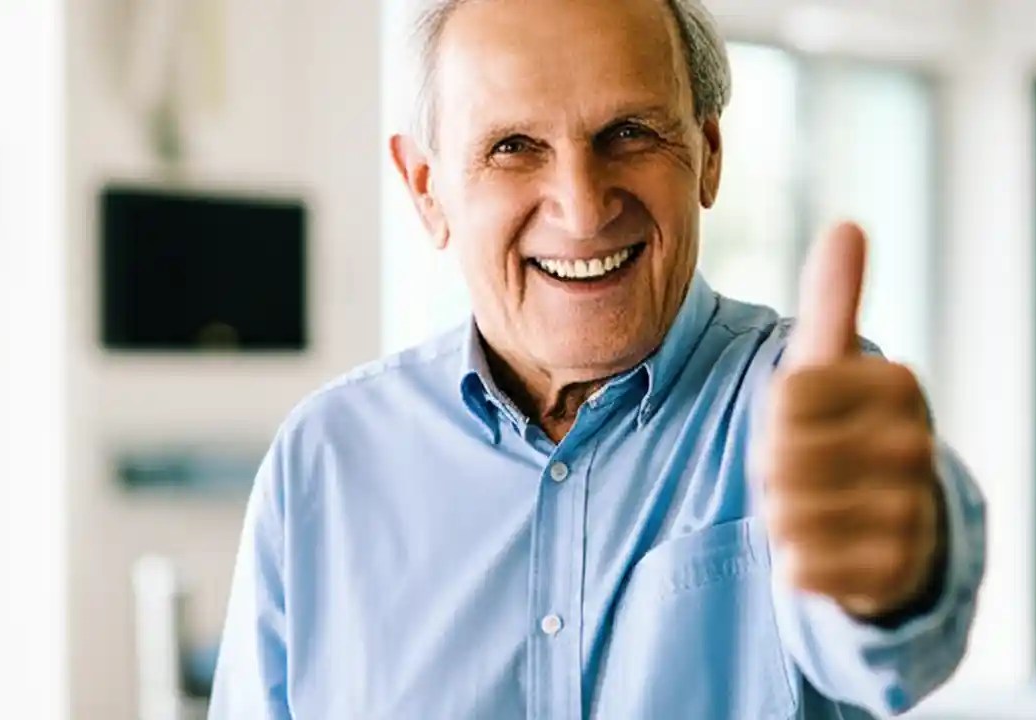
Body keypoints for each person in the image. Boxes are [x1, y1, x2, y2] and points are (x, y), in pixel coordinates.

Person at [208, 0, 986, 717]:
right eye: (513, 147)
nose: (582, 208)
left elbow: (884, 637)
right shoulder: (325, 461)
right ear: (426, 189)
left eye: (630, 133)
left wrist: (894, 577)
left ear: (708, 152)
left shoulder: (802, 402)